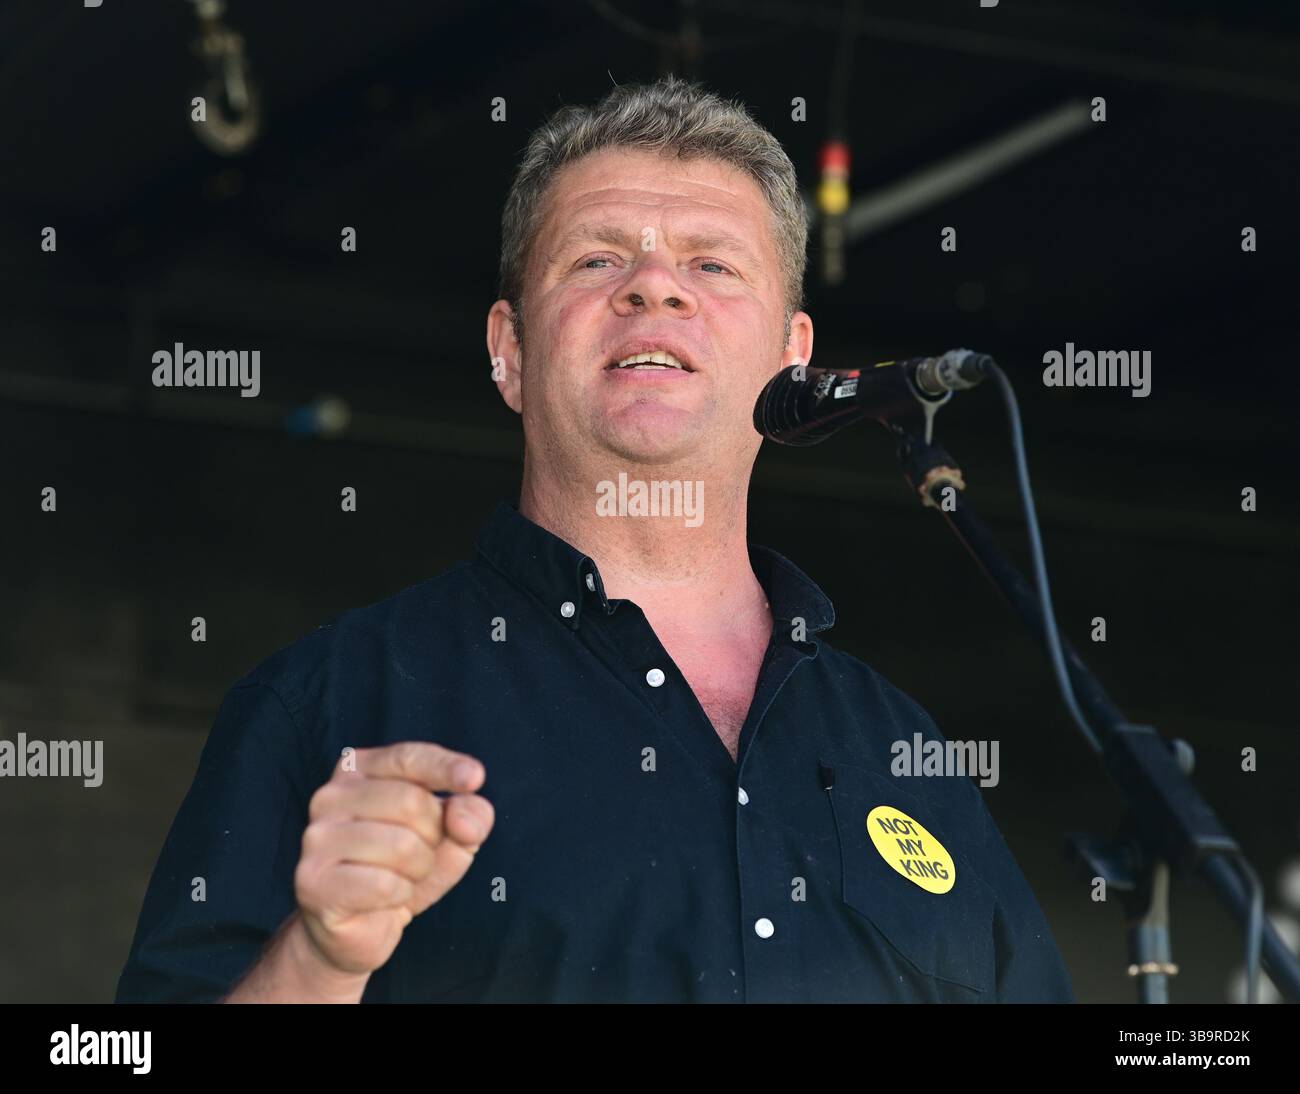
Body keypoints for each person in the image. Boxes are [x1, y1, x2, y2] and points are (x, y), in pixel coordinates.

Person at [116, 75, 1074, 1004]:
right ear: (510, 351)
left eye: (712, 263)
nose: (654, 287)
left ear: (795, 363)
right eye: (597, 259)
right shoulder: (328, 710)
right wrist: (320, 959)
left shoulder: (905, 747)